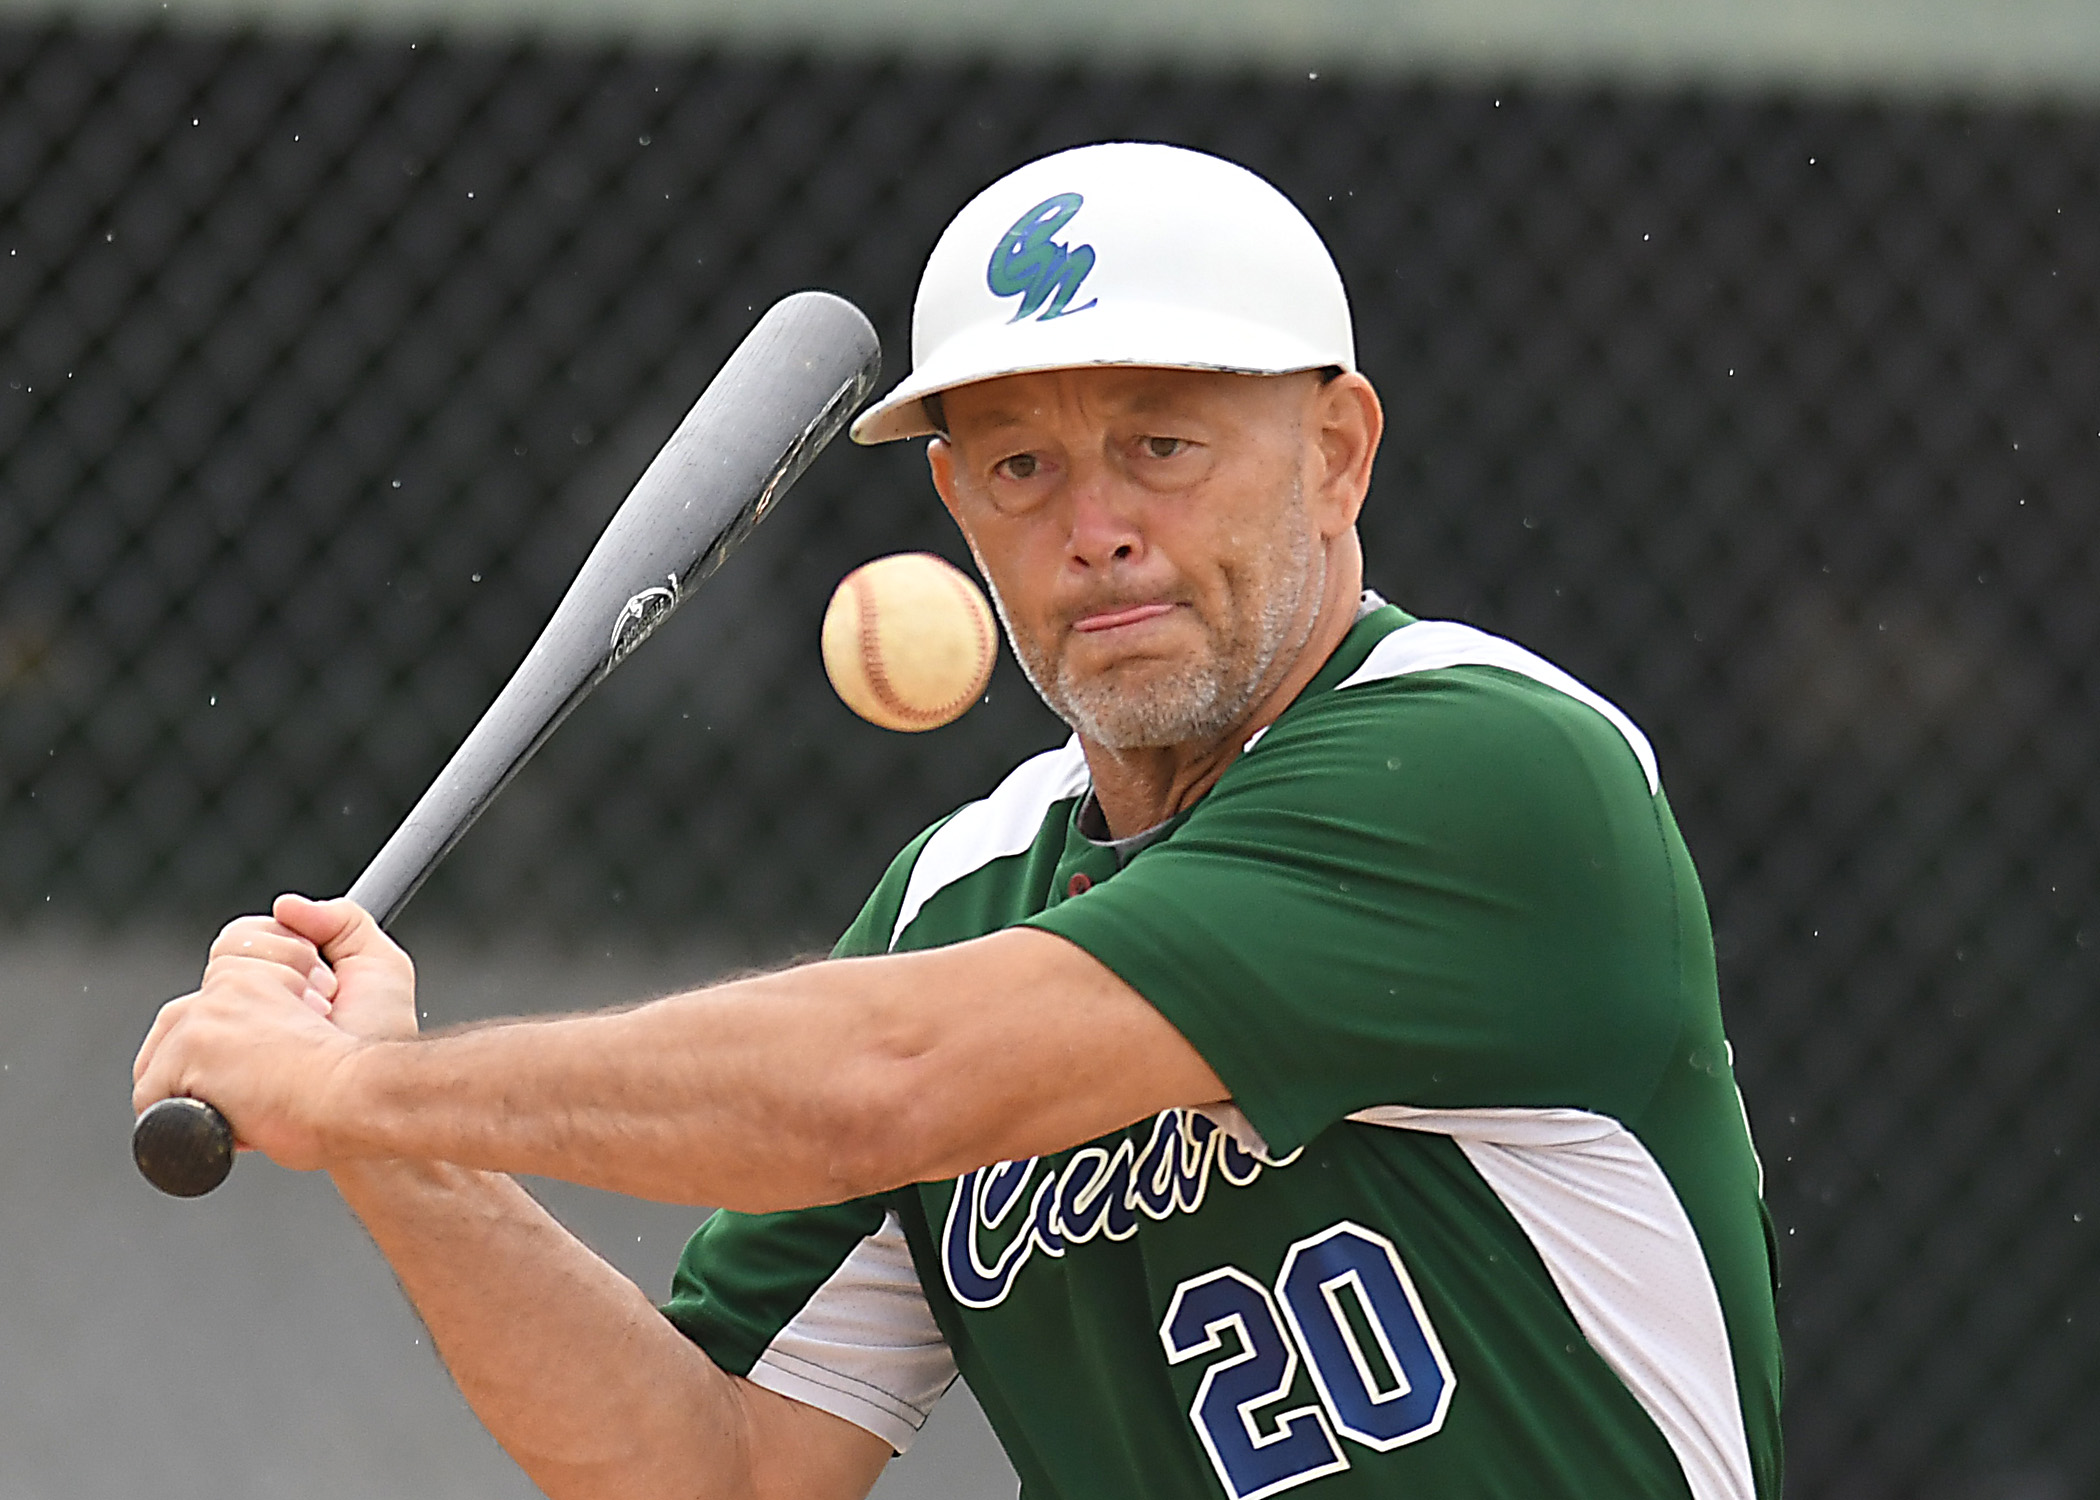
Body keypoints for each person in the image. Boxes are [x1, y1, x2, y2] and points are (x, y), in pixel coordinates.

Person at [133, 141, 1782, 1500]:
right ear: (956, 508)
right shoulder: (963, 894)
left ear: (1337, 451)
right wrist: (391, 1143)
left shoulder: (1486, 769)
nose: (1097, 529)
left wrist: (355, 1086)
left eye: (1163, 443)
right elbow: (705, 1468)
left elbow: (880, 1086)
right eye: (1021, 469)